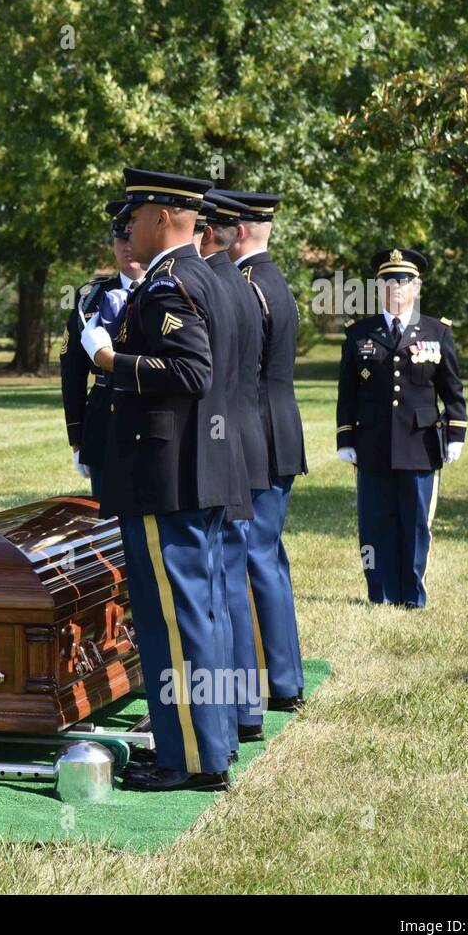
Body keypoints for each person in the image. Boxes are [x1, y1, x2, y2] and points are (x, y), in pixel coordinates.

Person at [83, 168, 235, 792]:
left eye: (137, 216)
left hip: (164, 476)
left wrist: (108, 359)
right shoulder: (207, 276)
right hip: (194, 469)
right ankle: (205, 745)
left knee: (172, 620)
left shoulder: (170, 283)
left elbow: (191, 371)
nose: (130, 228)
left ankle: (191, 759)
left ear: (164, 218)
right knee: (195, 613)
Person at [337, 248, 467, 608]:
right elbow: (347, 392)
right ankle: (379, 592)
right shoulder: (359, 332)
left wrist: (456, 434)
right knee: (374, 521)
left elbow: (452, 390)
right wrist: (346, 436)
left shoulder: (436, 332)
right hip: (373, 443)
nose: (395, 287)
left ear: (417, 287)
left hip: (420, 443)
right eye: (387, 280)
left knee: (414, 523)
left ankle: (412, 593)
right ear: (378, 287)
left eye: (403, 280)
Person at [218, 187, 307, 711]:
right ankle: (286, 677)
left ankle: (264, 684)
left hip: (259, 433)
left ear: (243, 230)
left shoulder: (248, 284)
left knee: (253, 556)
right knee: (268, 557)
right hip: (280, 429)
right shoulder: (273, 280)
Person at [201, 191, 270, 744]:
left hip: (219, 448)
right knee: (230, 584)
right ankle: (243, 709)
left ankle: (228, 717)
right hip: (239, 442)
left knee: (221, 585)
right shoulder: (237, 285)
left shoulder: (214, 287)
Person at [60, 200, 146, 497]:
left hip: (153, 421)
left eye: (132, 237)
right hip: (103, 422)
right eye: (121, 238)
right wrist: (77, 438)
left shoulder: (171, 288)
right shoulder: (90, 297)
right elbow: (71, 370)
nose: (127, 246)